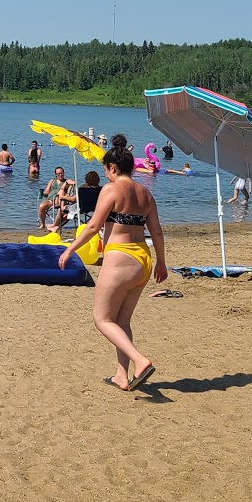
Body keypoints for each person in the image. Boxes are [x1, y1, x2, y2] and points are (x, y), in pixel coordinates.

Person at [60, 147, 167, 393]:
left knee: (102, 319)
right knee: (121, 321)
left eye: (106, 170)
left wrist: (69, 250)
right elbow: (157, 231)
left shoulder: (111, 189)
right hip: (143, 259)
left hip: (120, 258)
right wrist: (161, 262)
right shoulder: (146, 194)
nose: (106, 175)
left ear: (113, 168)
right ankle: (122, 376)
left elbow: (93, 225)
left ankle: (140, 362)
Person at [38, 167, 73, 231]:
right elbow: (47, 191)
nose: (60, 175)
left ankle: (55, 225)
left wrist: (66, 184)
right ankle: (42, 224)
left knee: (59, 196)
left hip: (60, 201)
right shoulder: (52, 181)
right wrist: (42, 193)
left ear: (63, 173)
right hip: (51, 200)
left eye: (61, 173)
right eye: (58, 174)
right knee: (41, 206)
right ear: (56, 175)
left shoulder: (66, 181)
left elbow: (74, 182)